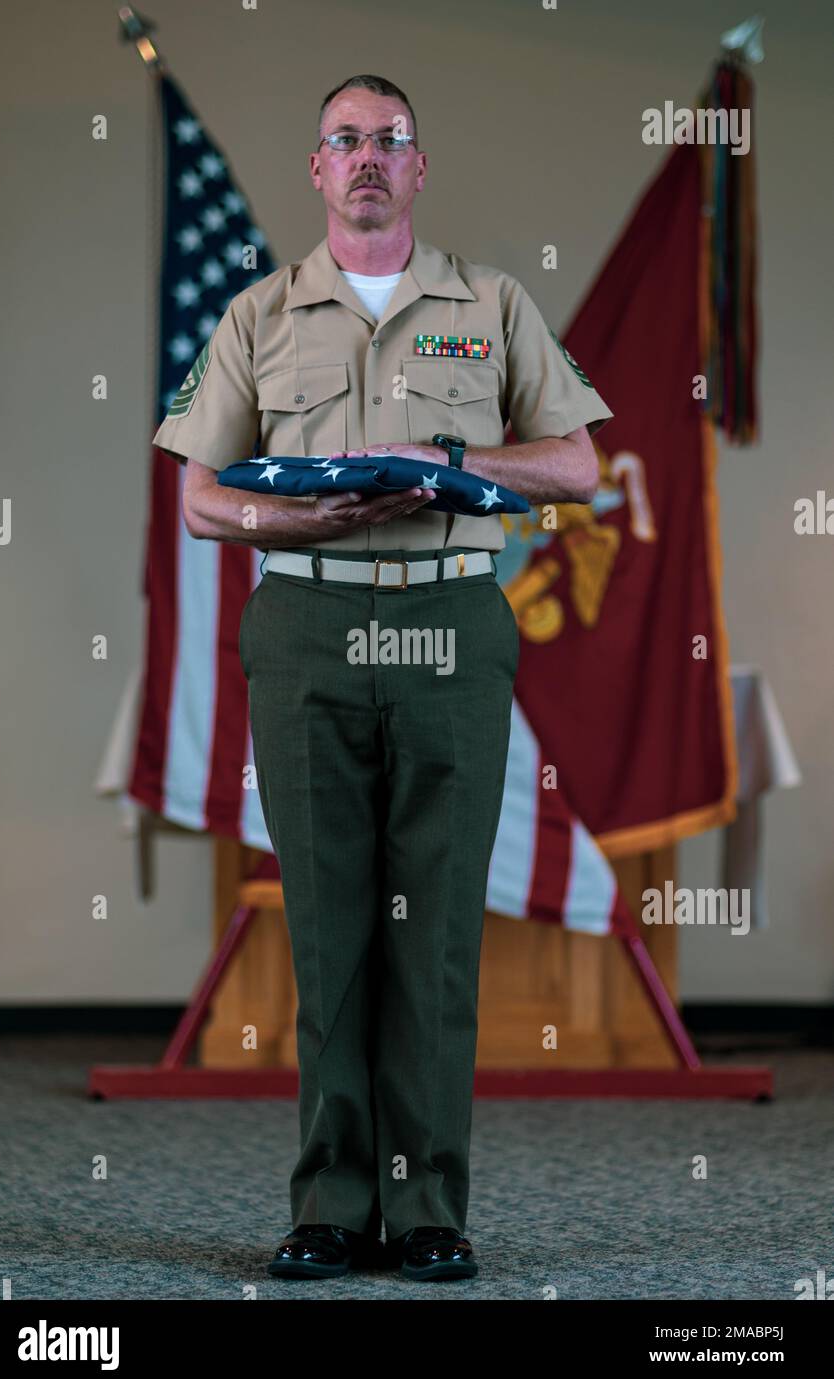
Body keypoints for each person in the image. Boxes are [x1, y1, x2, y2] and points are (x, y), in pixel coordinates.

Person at [153, 73, 612, 1282]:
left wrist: (449, 453)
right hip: (305, 628)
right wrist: (296, 523)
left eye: (389, 141)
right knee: (330, 930)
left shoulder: (491, 303)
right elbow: (200, 499)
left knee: (438, 935)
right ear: (316, 169)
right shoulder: (259, 313)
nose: (366, 157)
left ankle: (424, 1214)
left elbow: (575, 467)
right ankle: (325, 1206)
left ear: (418, 168)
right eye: (344, 140)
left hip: (448, 629)